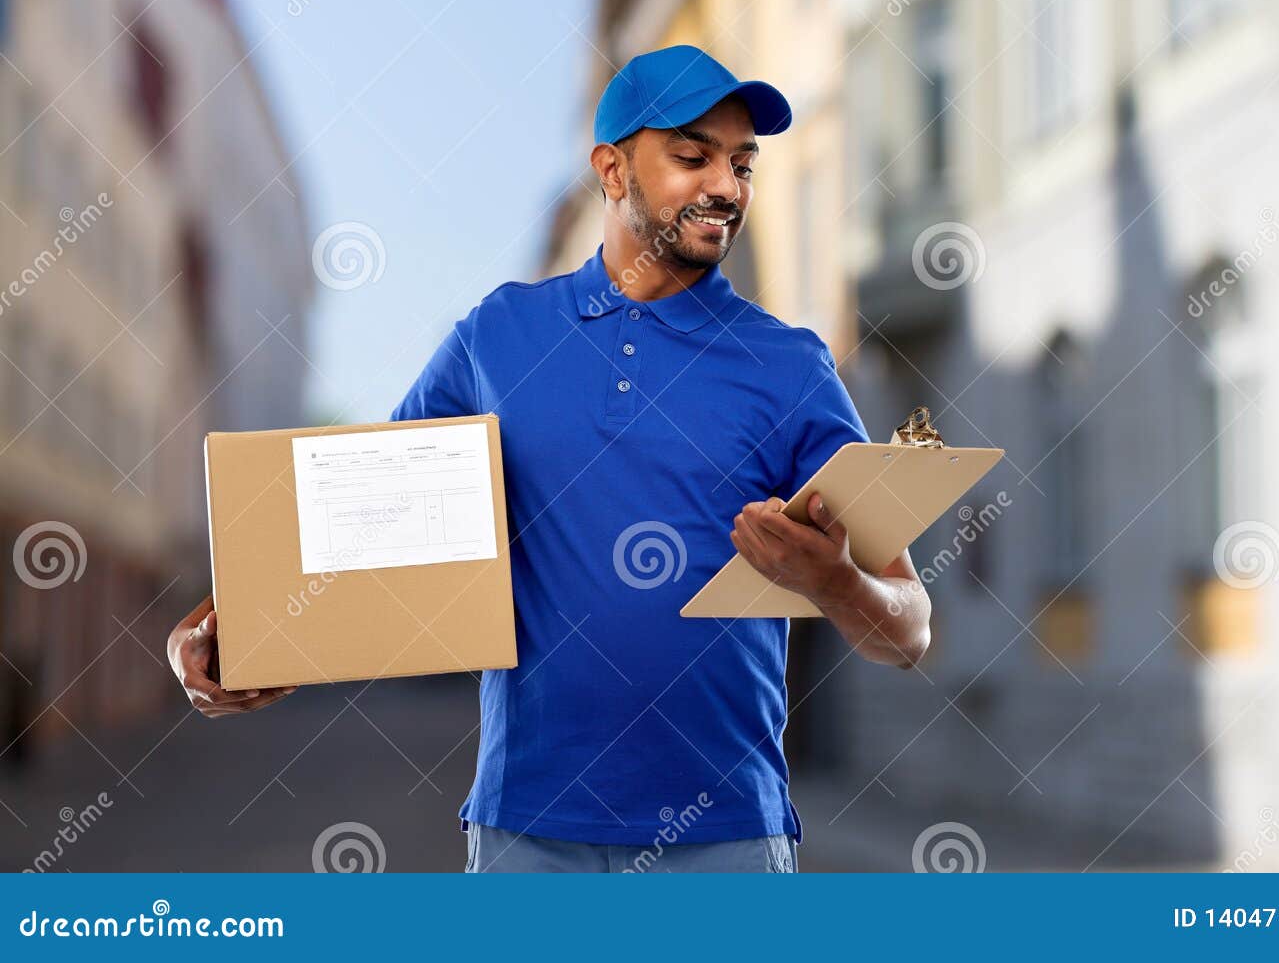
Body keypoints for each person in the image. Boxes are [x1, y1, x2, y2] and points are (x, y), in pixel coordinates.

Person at [167, 45, 931, 873]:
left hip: (727, 840)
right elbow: (358, 527)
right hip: (528, 835)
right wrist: (211, 637)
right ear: (611, 170)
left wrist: (835, 583)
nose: (726, 186)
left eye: (742, 164)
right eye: (692, 156)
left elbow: (909, 630)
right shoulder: (498, 337)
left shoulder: (789, 364)